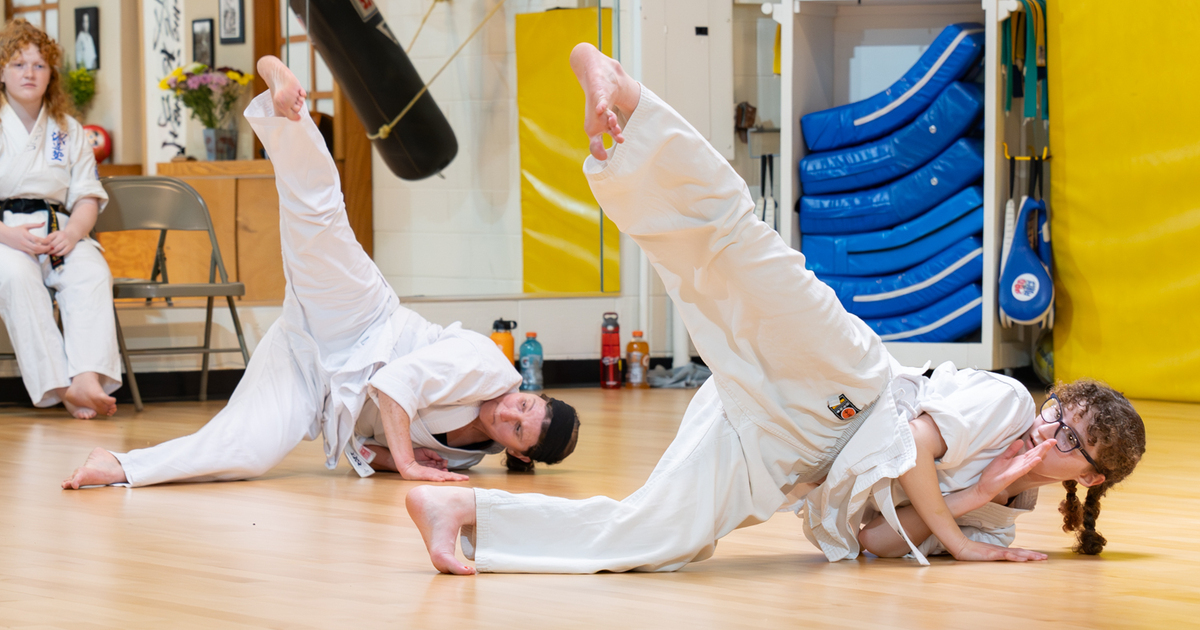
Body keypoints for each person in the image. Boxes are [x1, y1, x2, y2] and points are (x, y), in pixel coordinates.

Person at [404, 44, 1146, 575]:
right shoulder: (1010, 403)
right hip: (850, 388)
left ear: (1090, 479)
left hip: (788, 456)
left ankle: (465, 515)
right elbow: (914, 445)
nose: (1049, 437)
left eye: (1071, 442)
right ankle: (626, 104)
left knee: (658, 538)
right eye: (1062, 417)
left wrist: (981, 496)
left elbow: (874, 546)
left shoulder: (1008, 504)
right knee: (733, 257)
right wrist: (958, 540)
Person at [61, 55, 580, 489]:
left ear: (520, 454)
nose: (508, 413)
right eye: (525, 404)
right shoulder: (487, 365)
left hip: (318, 376)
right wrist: (407, 463)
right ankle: (286, 108)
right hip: (361, 318)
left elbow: (364, 443)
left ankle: (119, 466)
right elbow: (397, 383)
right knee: (319, 218)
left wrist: (388, 459)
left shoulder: (471, 457)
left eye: (517, 430)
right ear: (530, 390)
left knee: (247, 450)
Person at [0, 19, 119, 419]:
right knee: (16, 278)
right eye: (18, 64)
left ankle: (87, 378)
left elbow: (86, 194)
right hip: (3, 235)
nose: (29, 73)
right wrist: (8, 236)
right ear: (2, 71)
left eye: (39, 65)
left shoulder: (68, 129)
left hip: (57, 229)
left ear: (51, 74)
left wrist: (72, 232)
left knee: (91, 272)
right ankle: (60, 385)